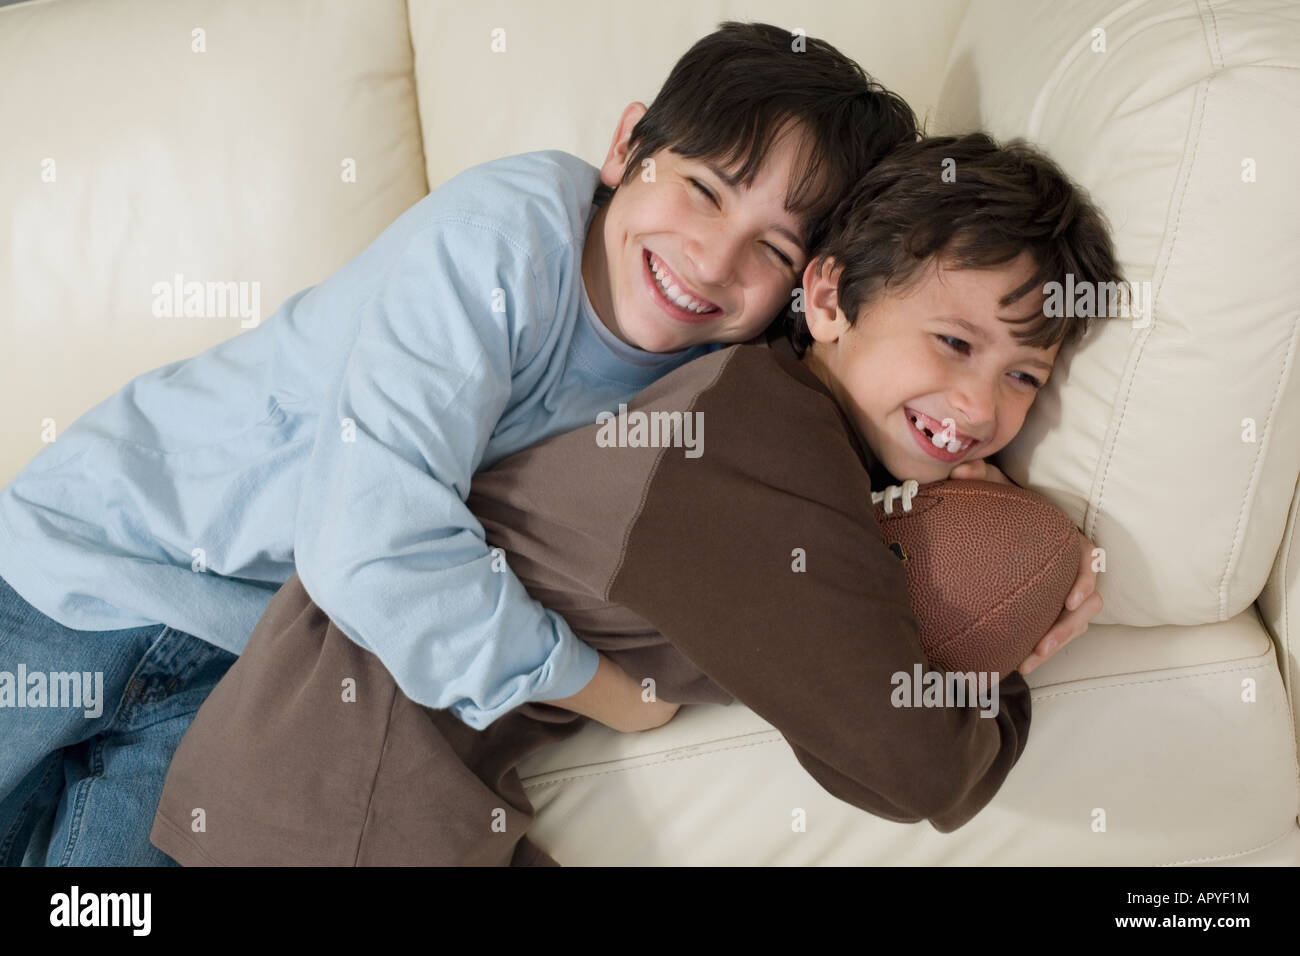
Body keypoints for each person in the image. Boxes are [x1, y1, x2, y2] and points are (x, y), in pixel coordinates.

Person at [0, 21, 920, 865]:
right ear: (627, 145)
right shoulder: (502, 240)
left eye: (773, 251)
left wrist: (958, 512)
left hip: (242, 669)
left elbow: (847, 443)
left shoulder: (729, 384)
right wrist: (605, 690)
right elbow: (368, 547)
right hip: (86, 563)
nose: (713, 260)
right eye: (703, 190)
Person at [150, 132, 1116, 866]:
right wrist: (1004, 655)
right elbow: (918, 774)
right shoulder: (752, 458)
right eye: (952, 343)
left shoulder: (765, 412)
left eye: (1026, 377)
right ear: (826, 299)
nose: (982, 406)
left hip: (337, 773)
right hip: (332, 801)